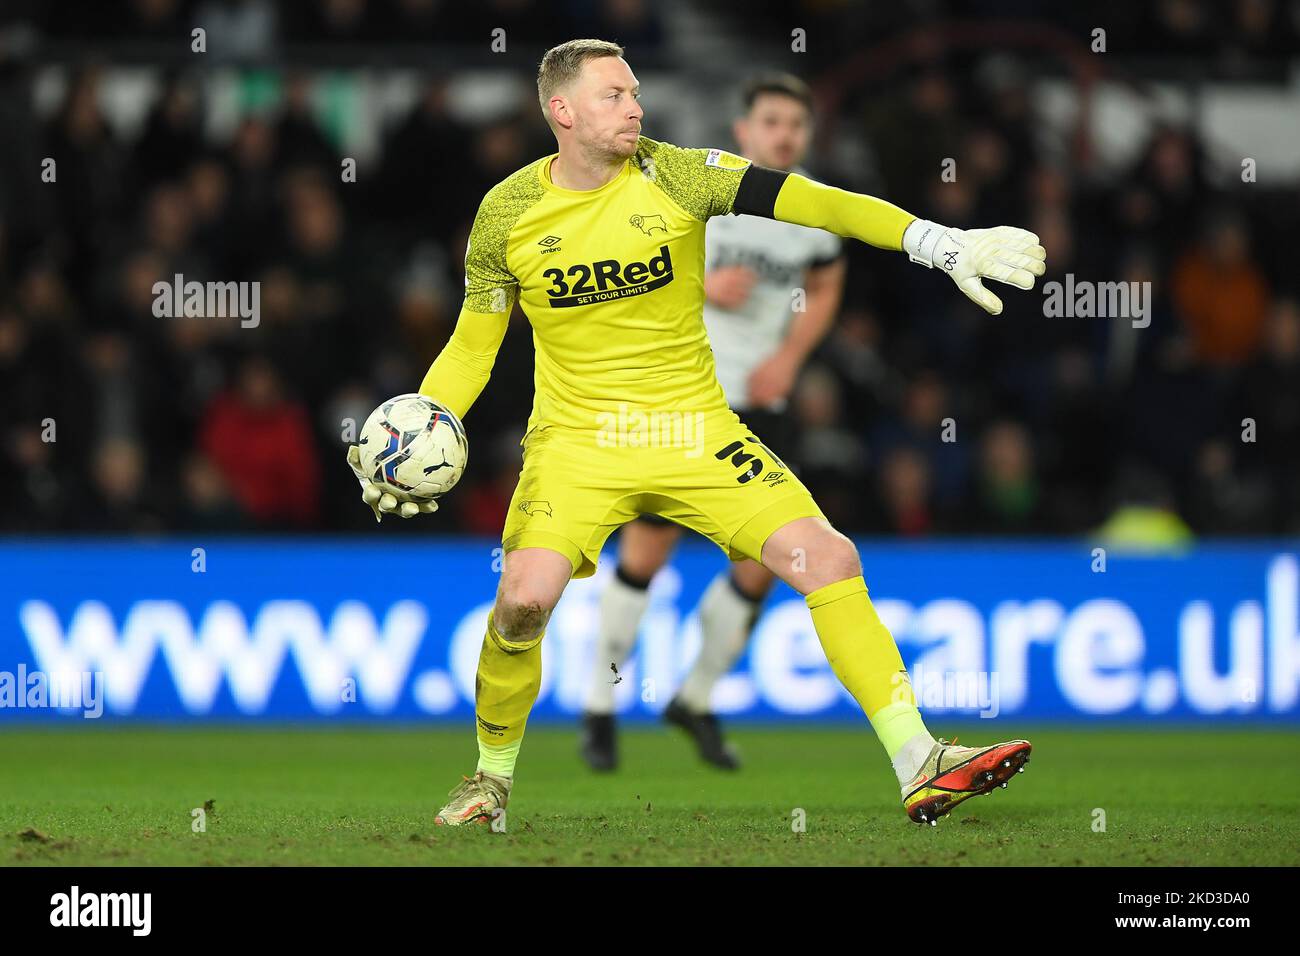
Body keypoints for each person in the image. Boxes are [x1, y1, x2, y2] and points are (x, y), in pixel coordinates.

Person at [347, 39, 1044, 826]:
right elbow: (475, 345)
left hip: (696, 431)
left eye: (636, 92)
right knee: (521, 602)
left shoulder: (676, 172)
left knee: (829, 556)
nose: (636, 107)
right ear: (562, 111)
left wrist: (935, 241)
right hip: (576, 444)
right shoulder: (505, 211)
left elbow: (813, 201)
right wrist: (417, 433)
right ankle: (490, 781)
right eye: (614, 95)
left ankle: (920, 760)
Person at [580, 72, 846, 772]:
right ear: (743, 131)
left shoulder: (810, 208)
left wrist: (791, 356)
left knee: (769, 564)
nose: (784, 134)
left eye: (796, 123)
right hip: (681, 401)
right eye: (772, 121)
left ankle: (694, 697)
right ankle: (601, 706)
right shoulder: (700, 185)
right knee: (645, 557)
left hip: (761, 407)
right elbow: (624, 258)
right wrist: (699, 283)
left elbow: (826, 279)